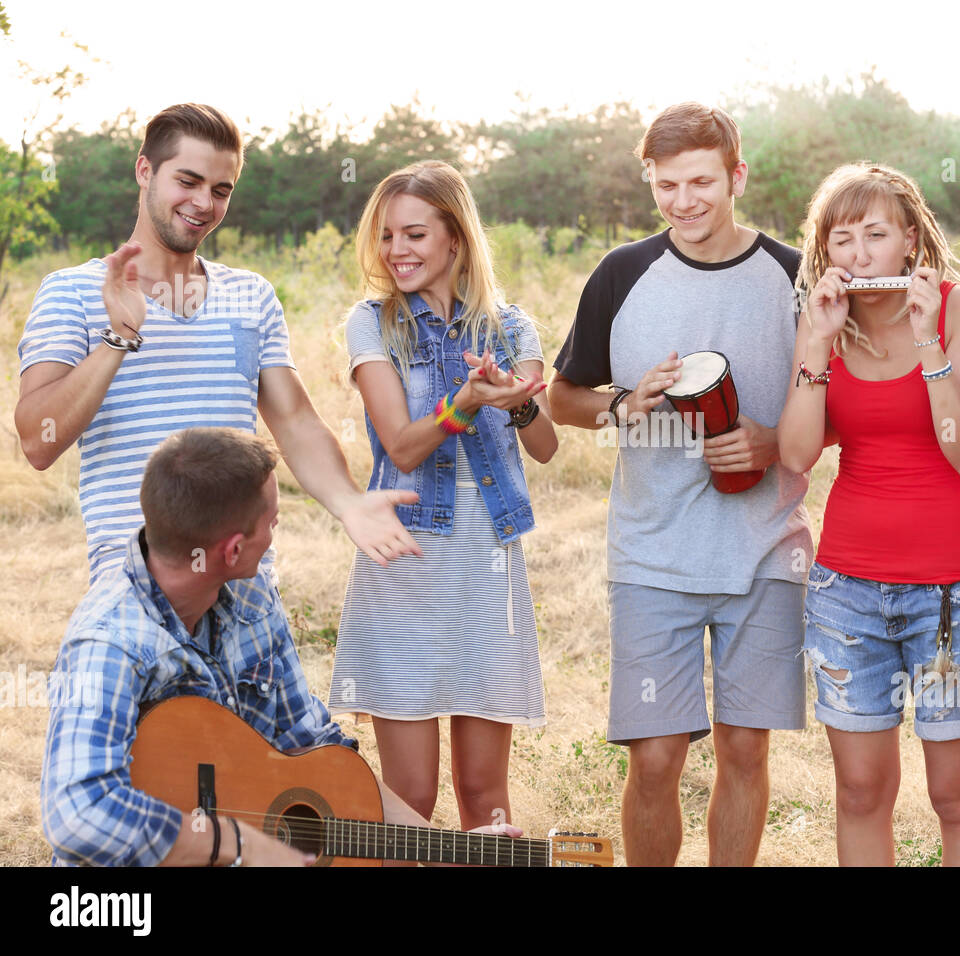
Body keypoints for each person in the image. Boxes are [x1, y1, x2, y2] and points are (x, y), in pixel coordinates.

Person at [40, 427, 518, 866]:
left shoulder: (250, 593)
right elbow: (77, 815)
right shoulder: (109, 642)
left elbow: (309, 742)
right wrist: (239, 846)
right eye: (272, 523)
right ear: (231, 550)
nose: (273, 536)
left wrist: (447, 850)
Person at [549, 103, 812, 866]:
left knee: (744, 751)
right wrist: (620, 407)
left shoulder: (795, 274)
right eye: (667, 185)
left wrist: (774, 443)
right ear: (650, 181)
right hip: (652, 554)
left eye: (701, 181)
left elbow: (837, 406)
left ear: (737, 176)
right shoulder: (622, 273)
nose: (684, 201)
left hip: (765, 549)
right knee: (656, 757)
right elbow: (564, 399)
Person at [14, 103, 417, 585]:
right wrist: (118, 338)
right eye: (187, 181)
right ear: (145, 170)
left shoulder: (251, 295)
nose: (204, 203)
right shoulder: (71, 292)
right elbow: (39, 442)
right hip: (138, 588)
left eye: (220, 190)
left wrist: (349, 502)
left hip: (246, 586)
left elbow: (294, 422)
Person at [777, 163, 960, 866]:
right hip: (846, 589)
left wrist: (927, 342)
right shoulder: (821, 325)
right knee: (860, 791)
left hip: (954, 591)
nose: (858, 255)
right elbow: (795, 453)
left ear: (909, 240)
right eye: (841, 240)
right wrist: (817, 345)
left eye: (875, 235)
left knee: (957, 796)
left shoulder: (955, 307)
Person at [327, 161, 555, 830]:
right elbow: (401, 445)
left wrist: (515, 402)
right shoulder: (372, 324)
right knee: (413, 799)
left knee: (486, 792)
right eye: (387, 235)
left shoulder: (511, 328)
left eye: (415, 234)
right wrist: (462, 404)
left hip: (487, 565)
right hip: (406, 559)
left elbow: (544, 446)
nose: (397, 250)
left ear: (456, 239)